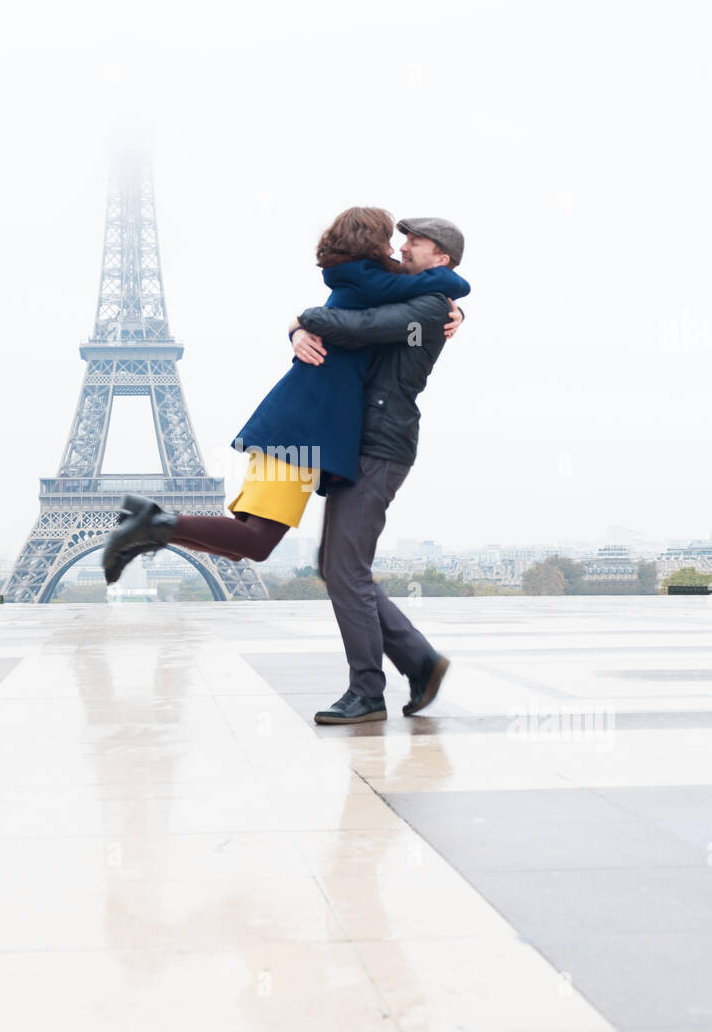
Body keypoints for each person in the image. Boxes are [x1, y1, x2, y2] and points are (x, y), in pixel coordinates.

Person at [102, 207, 469, 581]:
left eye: (409, 242)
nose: (397, 249)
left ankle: (149, 531)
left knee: (243, 547)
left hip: (295, 418)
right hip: (306, 425)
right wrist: (452, 297)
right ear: (372, 245)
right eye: (391, 241)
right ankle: (153, 522)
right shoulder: (372, 285)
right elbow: (405, 302)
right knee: (255, 541)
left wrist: (450, 314)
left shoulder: (360, 281)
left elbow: (407, 320)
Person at [289, 216, 468, 723]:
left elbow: (361, 327)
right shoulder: (411, 295)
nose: (403, 246)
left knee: (345, 568)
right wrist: (296, 328)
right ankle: (420, 661)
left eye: (416, 241)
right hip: (366, 440)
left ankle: (368, 691)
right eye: (403, 237)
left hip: (381, 445)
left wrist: (304, 318)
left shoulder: (431, 307)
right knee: (337, 566)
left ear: (443, 259)